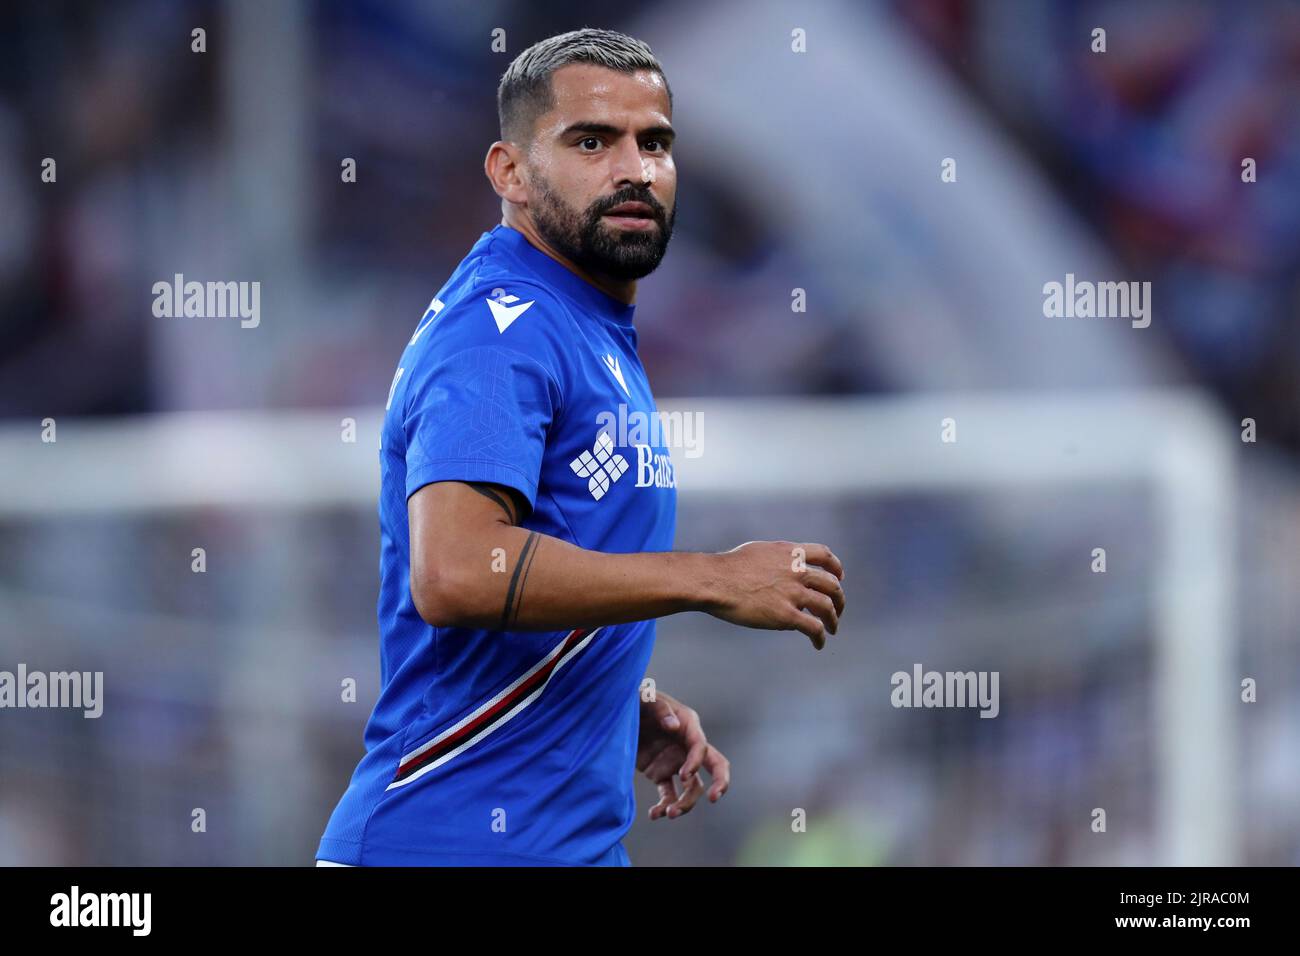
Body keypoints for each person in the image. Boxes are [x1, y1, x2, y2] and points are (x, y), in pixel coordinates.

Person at [316, 27, 845, 867]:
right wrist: (712, 578)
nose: (633, 168)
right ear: (510, 171)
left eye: (655, 143)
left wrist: (610, 697)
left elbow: (546, 559)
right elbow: (454, 570)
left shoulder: (583, 324)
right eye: (591, 141)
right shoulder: (499, 332)